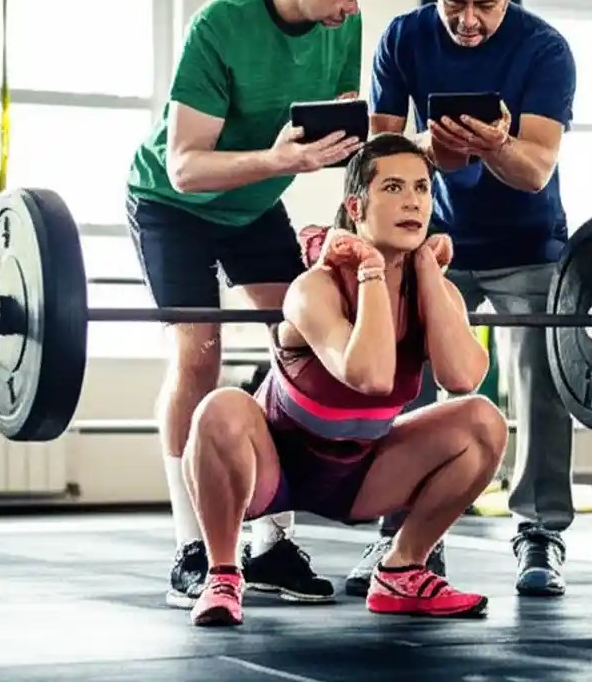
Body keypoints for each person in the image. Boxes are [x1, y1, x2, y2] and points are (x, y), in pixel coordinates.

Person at [123, 0, 382, 611]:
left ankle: (270, 544)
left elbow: (338, 128)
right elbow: (184, 167)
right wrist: (280, 160)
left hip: (254, 206)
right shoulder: (220, 26)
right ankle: (193, 550)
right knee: (197, 354)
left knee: (301, 346)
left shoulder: (340, 22)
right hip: (171, 205)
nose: (351, 9)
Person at [182, 133, 509, 627]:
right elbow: (370, 376)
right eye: (394, 188)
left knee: (484, 423)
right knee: (220, 409)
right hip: (272, 474)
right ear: (356, 205)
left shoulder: (432, 289)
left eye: (422, 189)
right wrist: (373, 272)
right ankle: (223, 575)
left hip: (362, 476)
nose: (413, 202)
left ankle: (402, 570)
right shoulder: (313, 289)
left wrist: (425, 274)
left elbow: (463, 377)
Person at [346, 0, 578, 598]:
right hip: (432, 242)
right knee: (404, 380)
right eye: (454, 4)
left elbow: (534, 169)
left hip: (527, 244)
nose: (468, 20)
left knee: (541, 381)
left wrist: (495, 146)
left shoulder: (544, 49)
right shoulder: (402, 38)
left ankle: (540, 532)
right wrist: (430, 152)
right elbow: (377, 156)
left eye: (484, 6)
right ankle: (407, 538)